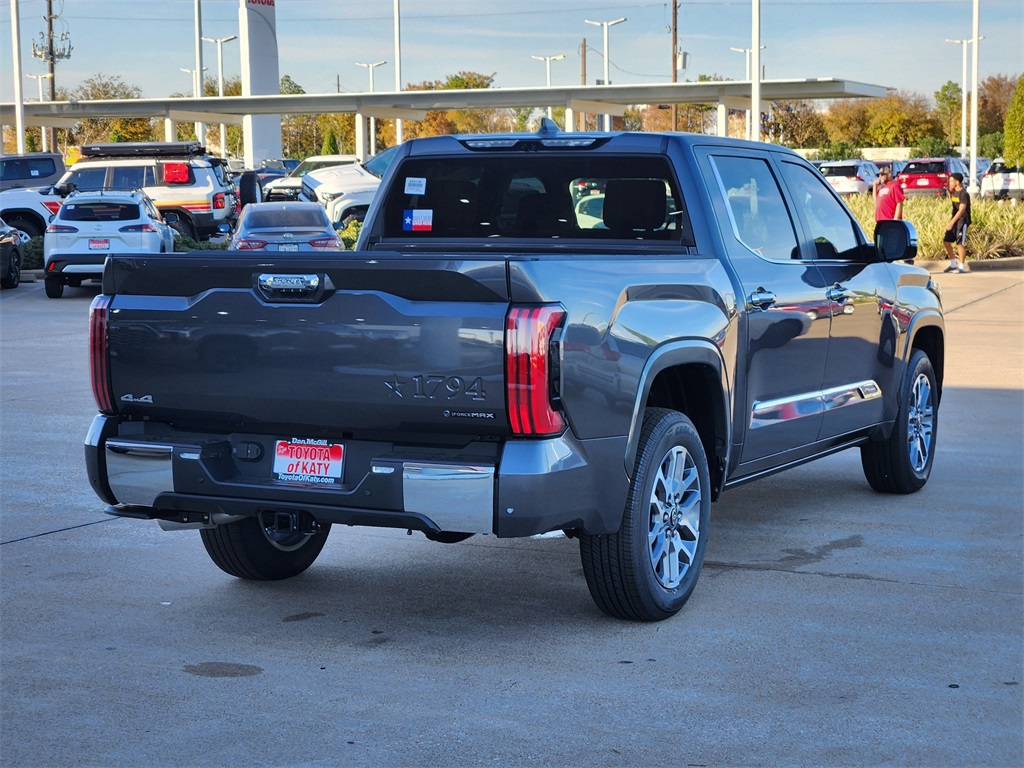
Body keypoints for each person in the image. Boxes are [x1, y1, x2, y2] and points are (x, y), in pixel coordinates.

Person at [942, 172, 971, 273]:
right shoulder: (954, 192)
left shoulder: (964, 194)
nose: (949, 182)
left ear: (957, 182)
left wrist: (951, 222)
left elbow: (962, 210)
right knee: (946, 241)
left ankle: (961, 266)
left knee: (959, 243)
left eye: (951, 181)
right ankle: (953, 264)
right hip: (954, 220)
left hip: (962, 221)